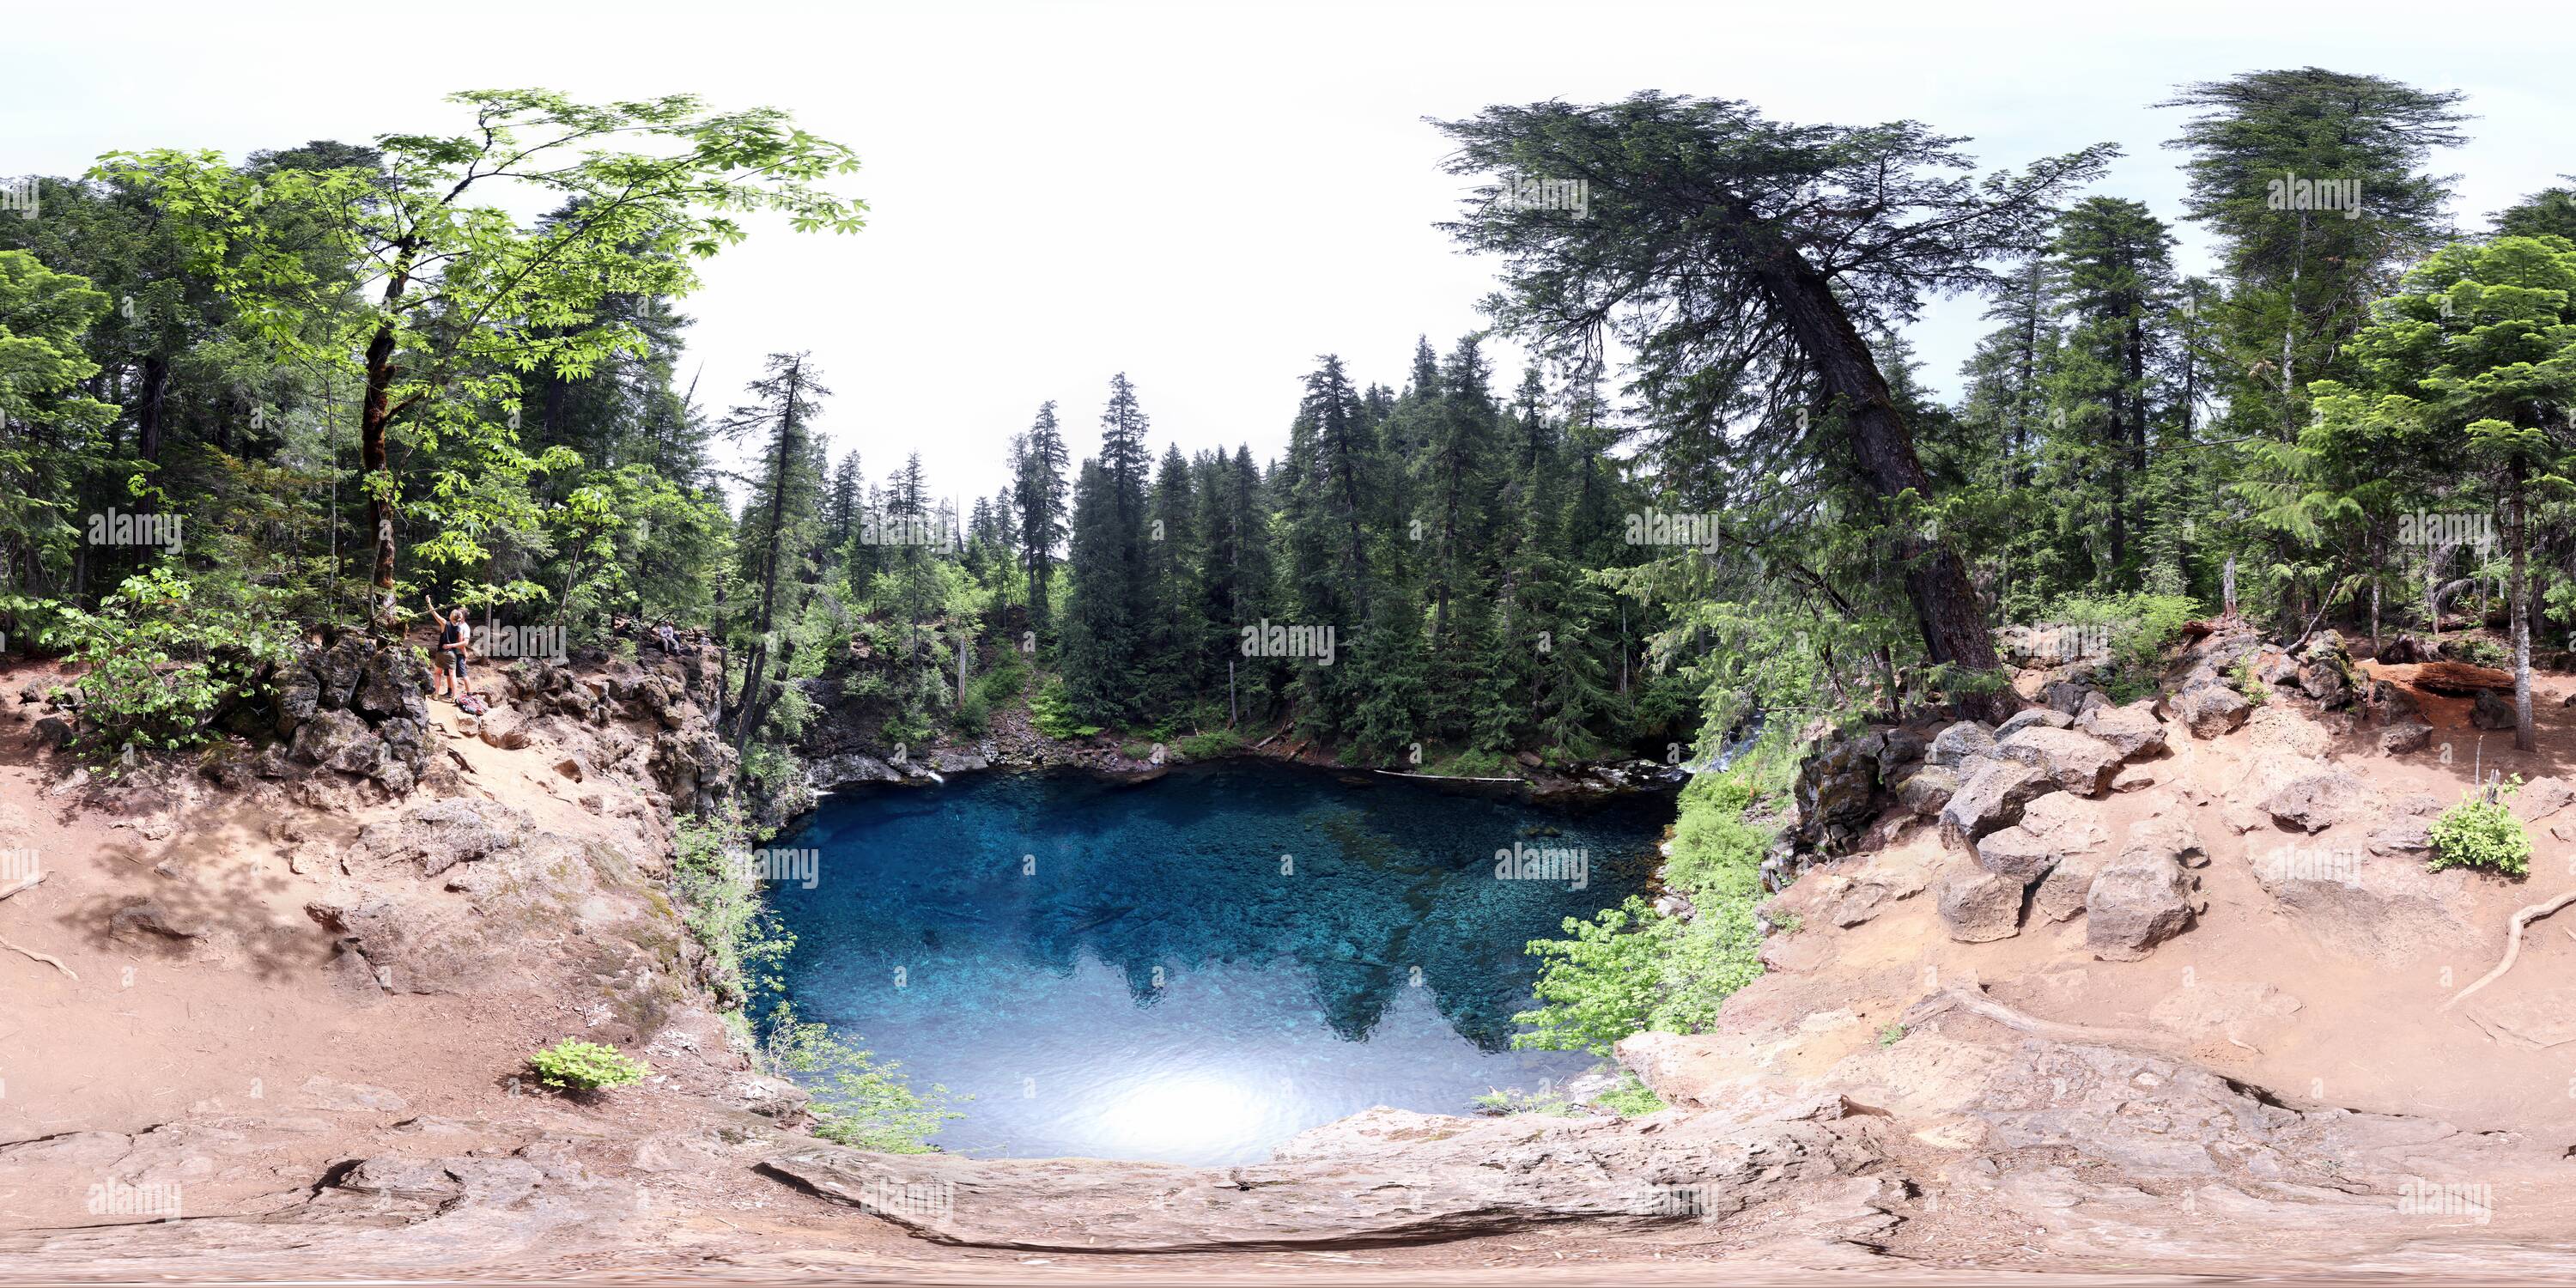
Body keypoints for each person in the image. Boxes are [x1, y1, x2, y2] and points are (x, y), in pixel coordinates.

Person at [423, 597, 476, 705]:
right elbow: (461, 643)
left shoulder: (444, 623)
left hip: (441, 652)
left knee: (438, 673)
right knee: (453, 675)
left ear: (451, 616)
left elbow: (434, 613)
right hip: (452, 654)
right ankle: (453, 696)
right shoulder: (459, 629)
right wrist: (465, 653)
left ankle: (436, 695)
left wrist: (429, 602)